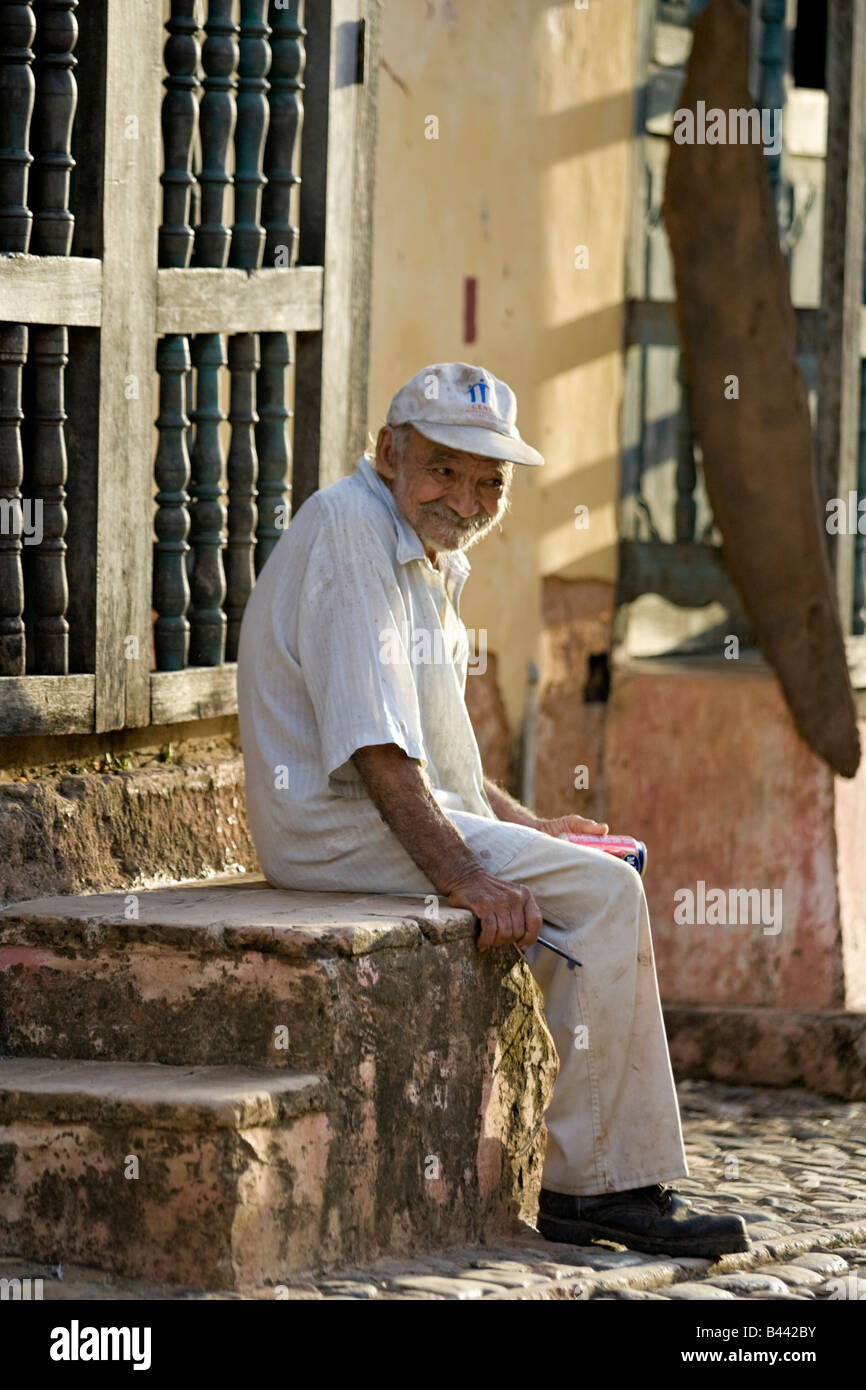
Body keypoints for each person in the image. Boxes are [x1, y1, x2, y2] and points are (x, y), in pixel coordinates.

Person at [236, 361, 749, 1257]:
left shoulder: (424, 549)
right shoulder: (352, 534)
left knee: (598, 870)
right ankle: (596, 1189)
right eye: (444, 469)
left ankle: (609, 1175)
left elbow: (446, 769)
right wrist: (470, 875)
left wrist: (530, 829)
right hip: (333, 829)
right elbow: (376, 749)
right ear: (388, 452)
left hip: (381, 817)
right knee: (600, 899)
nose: (466, 497)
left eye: (489, 481)